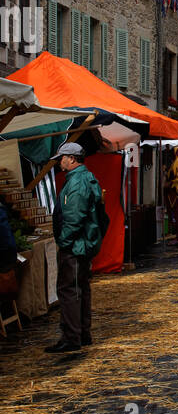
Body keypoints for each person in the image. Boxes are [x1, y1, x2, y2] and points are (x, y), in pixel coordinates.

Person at [46, 142, 105, 355]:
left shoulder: (77, 181)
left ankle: (72, 336)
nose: (59, 161)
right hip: (81, 243)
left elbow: (75, 217)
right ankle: (81, 333)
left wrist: (64, 241)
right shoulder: (82, 178)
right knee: (80, 288)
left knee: (69, 289)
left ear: (71, 159)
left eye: (61, 158)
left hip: (75, 245)